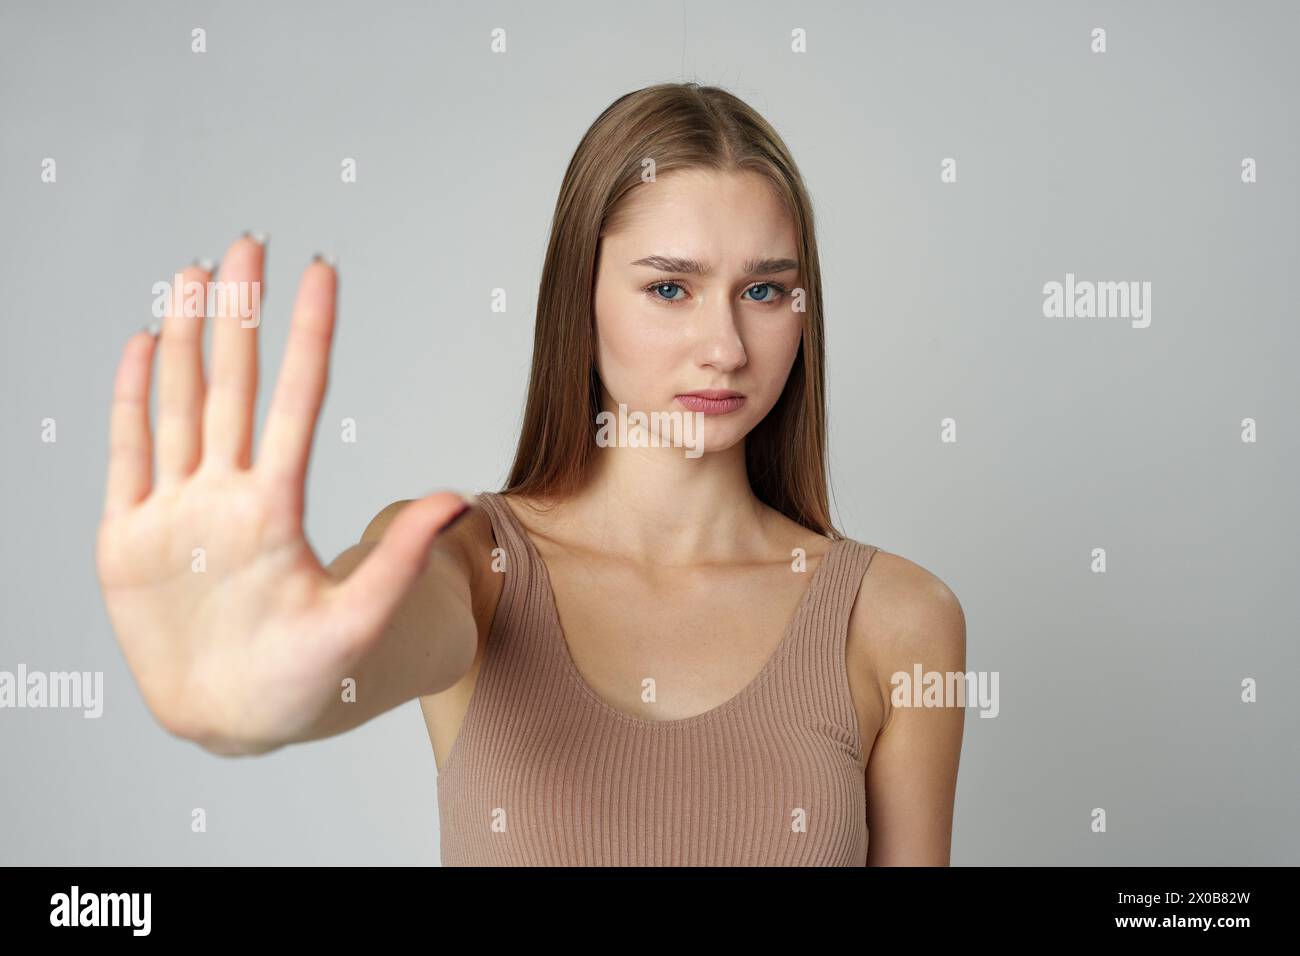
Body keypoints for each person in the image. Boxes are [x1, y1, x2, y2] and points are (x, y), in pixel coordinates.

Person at [95, 82, 966, 866]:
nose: (725, 348)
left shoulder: (898, 620)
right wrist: (260, 689)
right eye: (669, 288)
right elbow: (362, 636)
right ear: (576, 303)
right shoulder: (470, 563)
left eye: (765, 291)